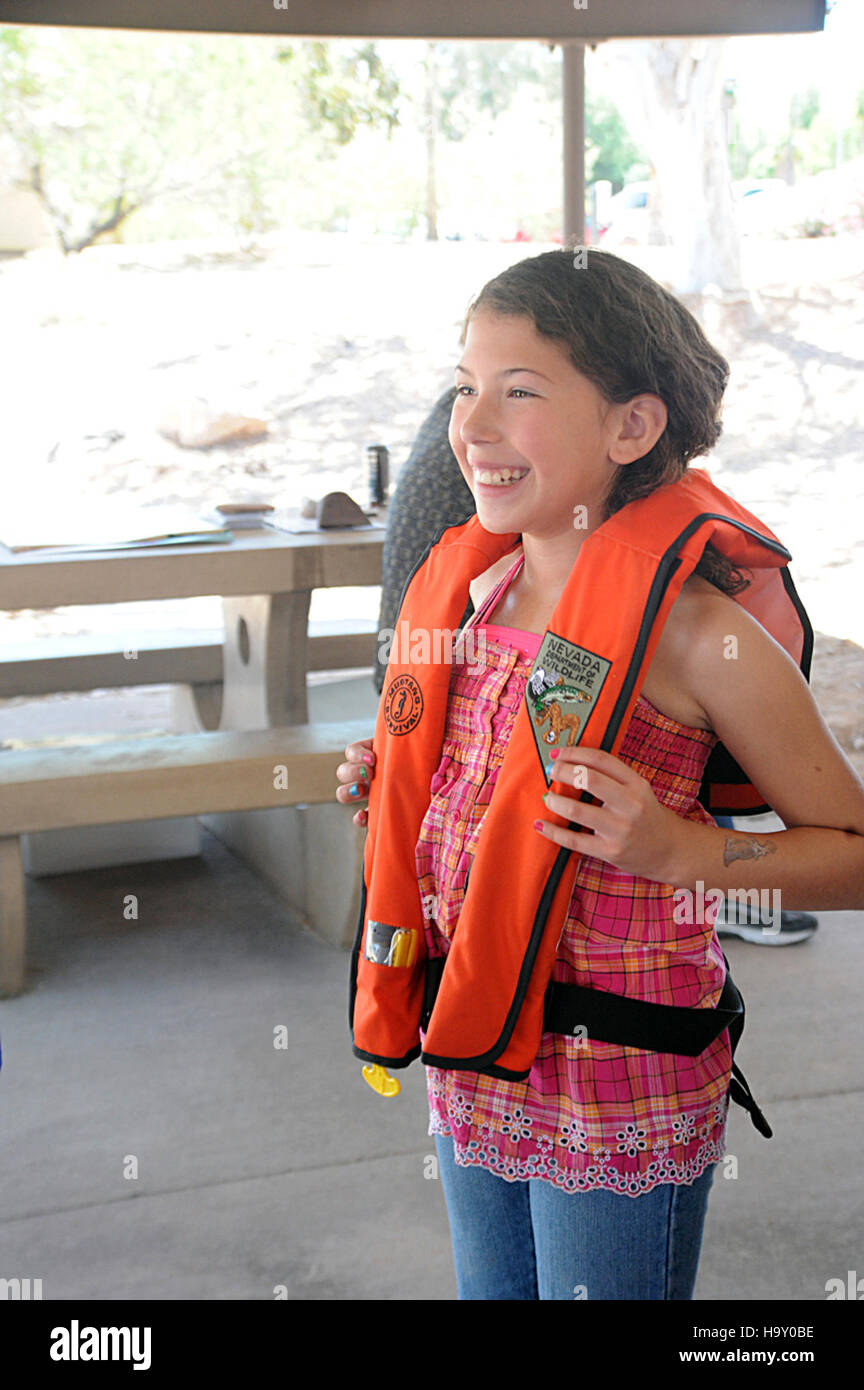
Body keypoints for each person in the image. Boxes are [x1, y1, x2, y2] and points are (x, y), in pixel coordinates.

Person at [335, 247, 864, 1300]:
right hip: (477, 1058)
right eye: (465, 386)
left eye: (519, 392)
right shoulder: (474, 600)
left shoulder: (695, 634)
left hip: (618, 1084)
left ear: (632, 425)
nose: (473, 425)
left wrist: (681, 850)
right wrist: (395, 772)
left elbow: (852, 854)